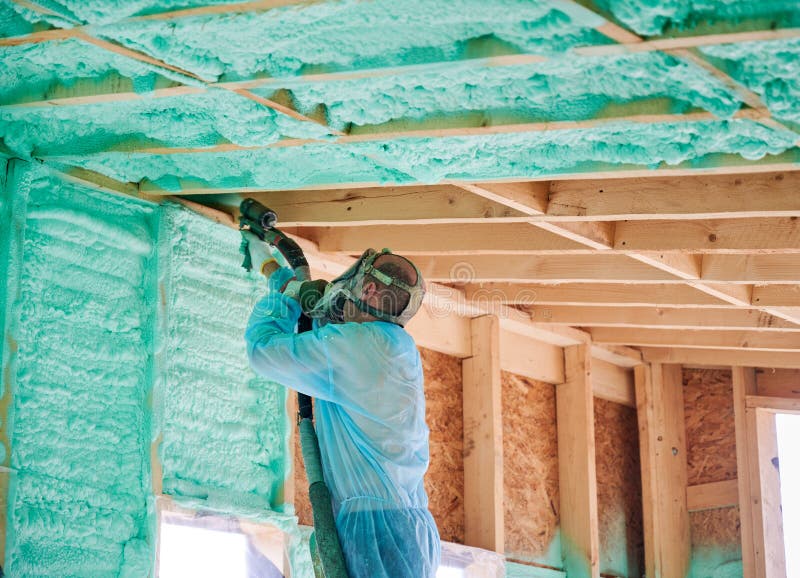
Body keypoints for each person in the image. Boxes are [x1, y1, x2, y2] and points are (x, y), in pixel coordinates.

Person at [243, 233, 441, 578]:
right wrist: (278, 275)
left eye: (360, 281)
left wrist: (282, 298)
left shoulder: (354, 347)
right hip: (412, 528)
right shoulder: (396, 347)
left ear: (367, 291)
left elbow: (263, 350)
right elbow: (328, 336)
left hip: (376, 532)